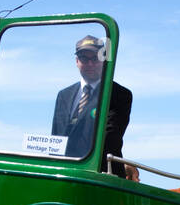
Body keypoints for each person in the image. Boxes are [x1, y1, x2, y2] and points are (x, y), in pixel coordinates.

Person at [51, 35, 137, 180]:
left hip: (102, 177)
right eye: (84, 58)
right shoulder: (63, 95)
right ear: (77, 61)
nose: (90, 64)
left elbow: (110, 138)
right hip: (65, 176)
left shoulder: (119, 94)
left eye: (95, 58)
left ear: (104, 61)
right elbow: (56, 137)